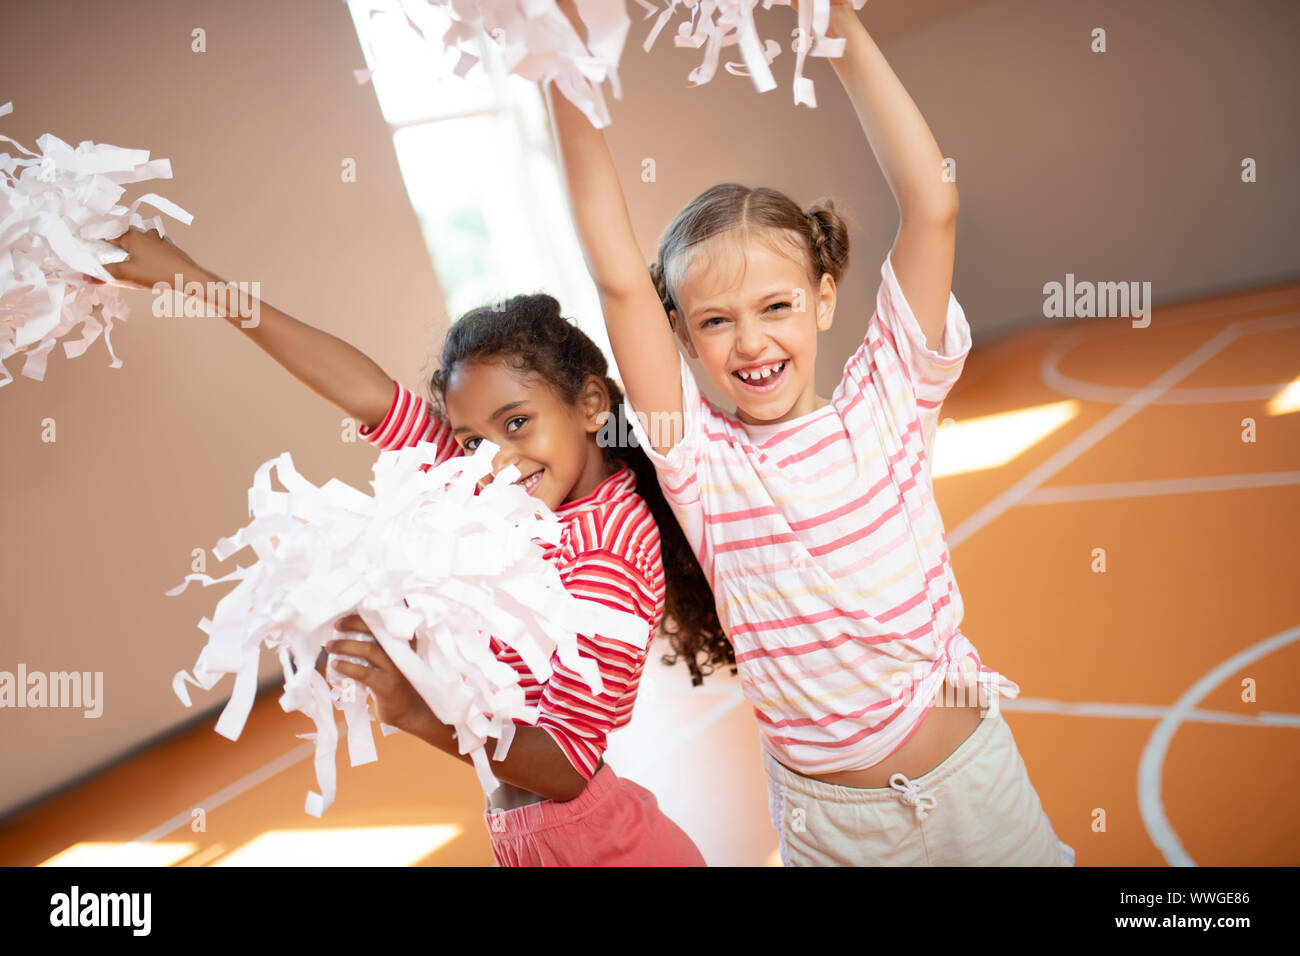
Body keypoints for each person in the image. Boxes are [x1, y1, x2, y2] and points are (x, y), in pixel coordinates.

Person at [545, 0, 1073, 866]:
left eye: (777, 306)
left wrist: (833, 25)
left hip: (977, 792)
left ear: (824, 298)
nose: (750, 341)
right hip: (836, 832)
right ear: (681, 335)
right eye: (714, 321)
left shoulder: (890, 398)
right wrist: (563, 62)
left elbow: (930, 202)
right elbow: (617, 278)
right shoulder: (701, 460)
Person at [90, 228, 709, 866]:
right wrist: (191, 279)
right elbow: (368, 393)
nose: (493, 460)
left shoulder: (611, 543)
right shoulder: (508, 490)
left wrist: (418, 711)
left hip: (605, 848)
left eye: (516, 422)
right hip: (541, 840)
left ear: (588, 404)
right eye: (471, 441)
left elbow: (565, 765)